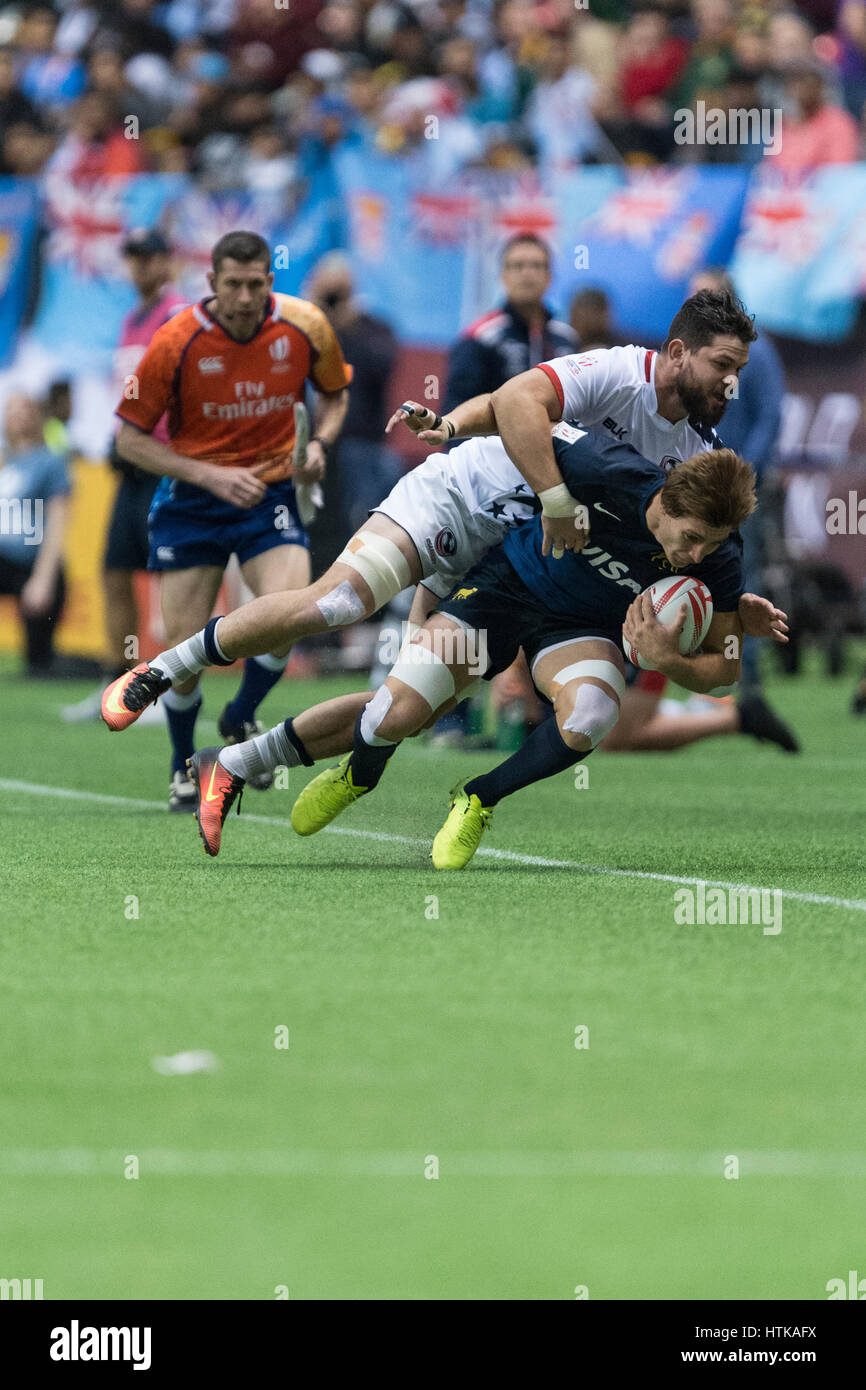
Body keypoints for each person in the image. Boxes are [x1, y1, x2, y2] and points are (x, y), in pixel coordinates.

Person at [100, 291, 790, 755]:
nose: (733, 383)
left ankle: (246, 761)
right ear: (676, 353)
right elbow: (520, 401)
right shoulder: (617, 373)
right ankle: (163, 669)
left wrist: (726, 602)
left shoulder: (697, 456)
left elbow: (689, 564)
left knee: (413, 705)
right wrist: (467, 433)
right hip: (463, 494)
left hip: (514, 555)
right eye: (723, 366)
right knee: (338, 601)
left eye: (740, 371)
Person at [186, 439, 756, 863]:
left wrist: (668, 658)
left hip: (579, 630)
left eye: (712, 542)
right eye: (691, 536)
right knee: (393, 713)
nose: (697, 553)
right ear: (669, 499)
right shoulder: (602, 467)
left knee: (592, 714)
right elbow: (513, 416)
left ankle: (478, 799)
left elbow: (725, 669)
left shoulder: (718, 559)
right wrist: (448, 430)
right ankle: (348, 773)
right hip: (503, 590)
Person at [103, 229, 352, 810]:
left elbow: (335, 394)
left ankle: (240, 716)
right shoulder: (175, 340)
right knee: (184, 656)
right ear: (212, 282)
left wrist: (320, 443)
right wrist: (210, 475)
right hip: (193, 502)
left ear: (271, 280)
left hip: (270, 496)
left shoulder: (306, 324)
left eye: (256, 283)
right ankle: (182, 765)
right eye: (233, 284)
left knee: (291, 613)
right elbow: (130, 441)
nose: (245, 296)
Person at [62, 229, 187, 724]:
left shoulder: (177, 315)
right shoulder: (131, 320)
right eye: (133, 259)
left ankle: (167, 691)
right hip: (130, 463)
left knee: (171, 578)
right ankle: (117, 682)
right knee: (115, 571)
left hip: (162, 462)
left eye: (148, 257)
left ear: (166, 261)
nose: (138, 267)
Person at [306, 252, 399, 538]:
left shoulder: (372, 328)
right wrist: (315, 318)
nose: (334, 300)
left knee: (361, 529)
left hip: (360, 445)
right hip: (308, 448)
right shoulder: (305, 326)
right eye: (328, 292)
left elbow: (382, 366)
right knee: (314, 529)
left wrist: (347, 327)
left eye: (340, 292)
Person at [0, 393, 70, 676]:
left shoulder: (49, 462)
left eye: (25, 409)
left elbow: (57, 520)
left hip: (29, 561)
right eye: (12, 410)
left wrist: (43, 578)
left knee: (38, 667)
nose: (18, 416)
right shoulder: (5, 460)